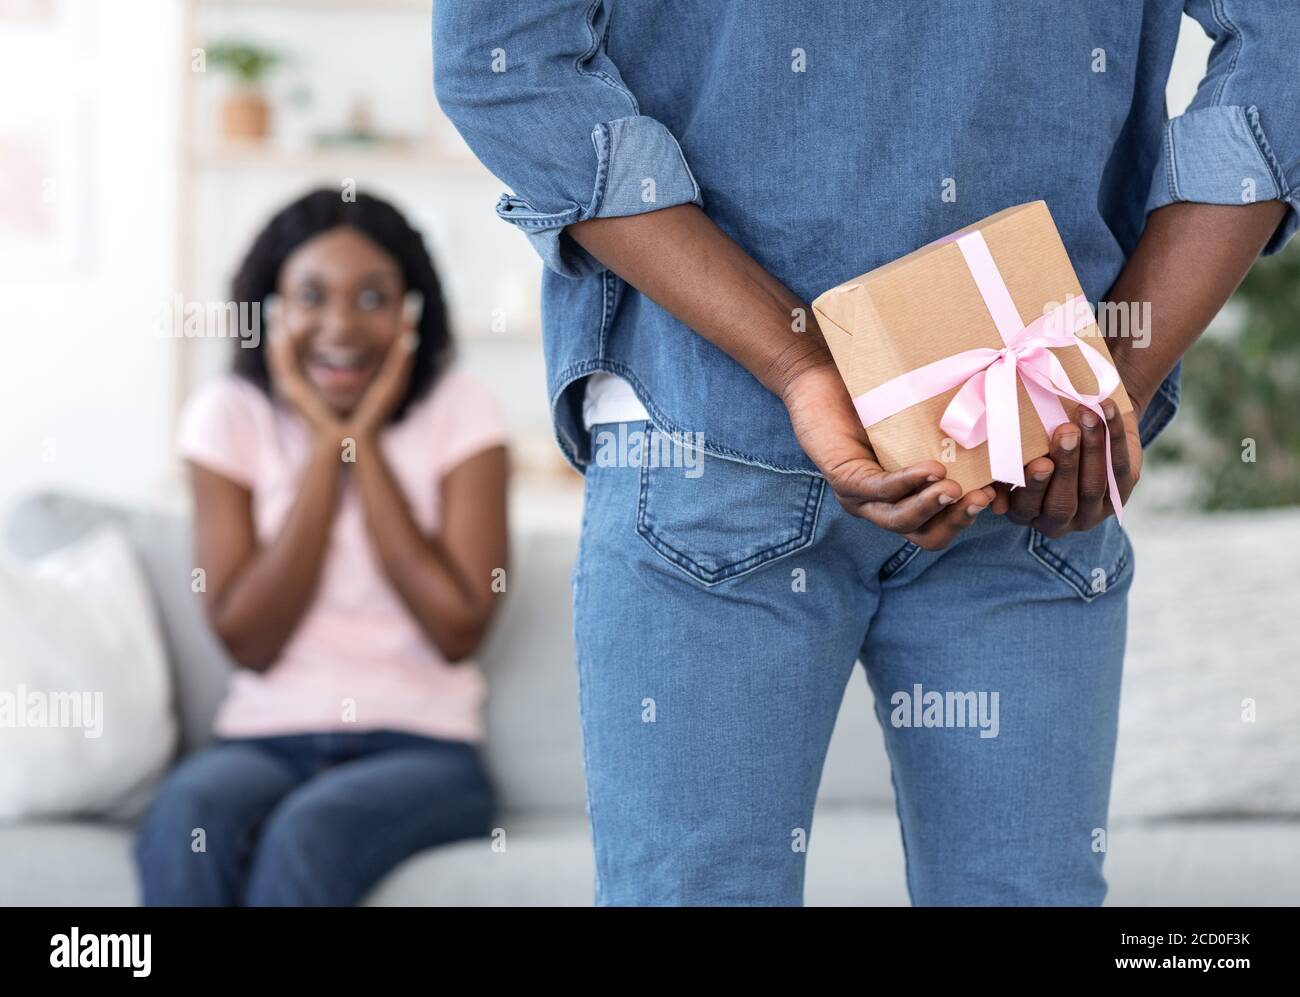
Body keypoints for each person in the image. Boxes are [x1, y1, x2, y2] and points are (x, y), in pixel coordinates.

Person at [432, 2, 1298, 905]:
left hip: (715, 425)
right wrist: (1113, 371)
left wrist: (797, 361)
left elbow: (501, 57)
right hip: (1028, 426)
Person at [134, 189, 510, 905]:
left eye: (373, 297)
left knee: (311, 831)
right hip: (262, 740)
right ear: (272, 311)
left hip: (423, 748)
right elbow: (250, 640)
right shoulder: (229, 416)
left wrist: (358, 443)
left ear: (409, 315)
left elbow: (458, 627)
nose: (341, 324)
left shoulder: (462, 409)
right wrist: (323, 445)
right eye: (311, 296)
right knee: (187, 816)